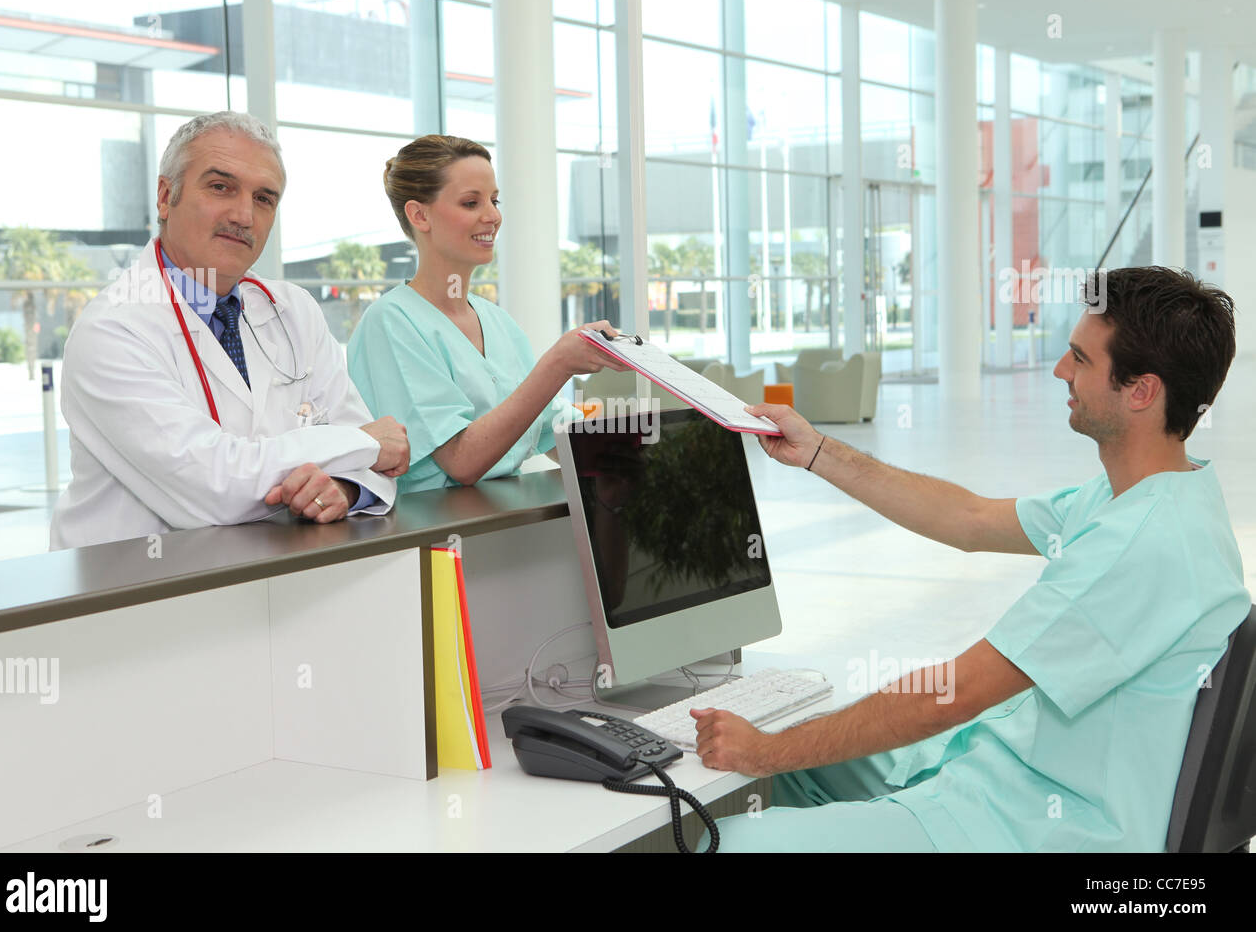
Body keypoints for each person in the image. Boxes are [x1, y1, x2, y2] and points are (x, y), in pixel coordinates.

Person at [694, 266, 1250, 852]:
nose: (1060, 370)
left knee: (731, 841)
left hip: (1041, 823)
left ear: (1141, 391)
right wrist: (817, 451)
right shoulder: (1151, 494)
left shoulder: (1140, 545)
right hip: (1005, 765)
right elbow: (970, 519)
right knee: (797, 771)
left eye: (1081, 359)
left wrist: (763, 751)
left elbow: (954, 694)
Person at [50, 112, 410, 550]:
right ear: (165, 197)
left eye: (264, 198)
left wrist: (344, 488)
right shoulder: (112, 330)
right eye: (220, 187)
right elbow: (216, 488)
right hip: (139, 582)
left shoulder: (294, 311)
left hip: (276, 572)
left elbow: (380, 465)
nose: (243, 215)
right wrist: (359, 443)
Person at [346, 134, 627, 495]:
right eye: (471, 202)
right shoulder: (391, 323)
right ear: (419, 215)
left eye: (494, 200)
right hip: (436, 528)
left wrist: (655, 442)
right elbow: (462, 461)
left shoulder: (497, 322)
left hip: (513, 520)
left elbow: (556, 429)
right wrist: (559, 364)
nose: (493, 216)